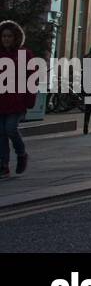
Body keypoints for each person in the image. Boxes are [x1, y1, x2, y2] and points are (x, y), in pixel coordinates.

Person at [0, 21, 35, 178]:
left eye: (9, 36)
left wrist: (29, 100)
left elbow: (31, 78)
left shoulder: (24, 54)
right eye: (4, 36)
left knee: (10, 129)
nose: (6, 39)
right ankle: (3, 165)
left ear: (16, 38)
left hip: (17, 101)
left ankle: (21, 154)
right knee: (1, 133)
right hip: (1, 100)